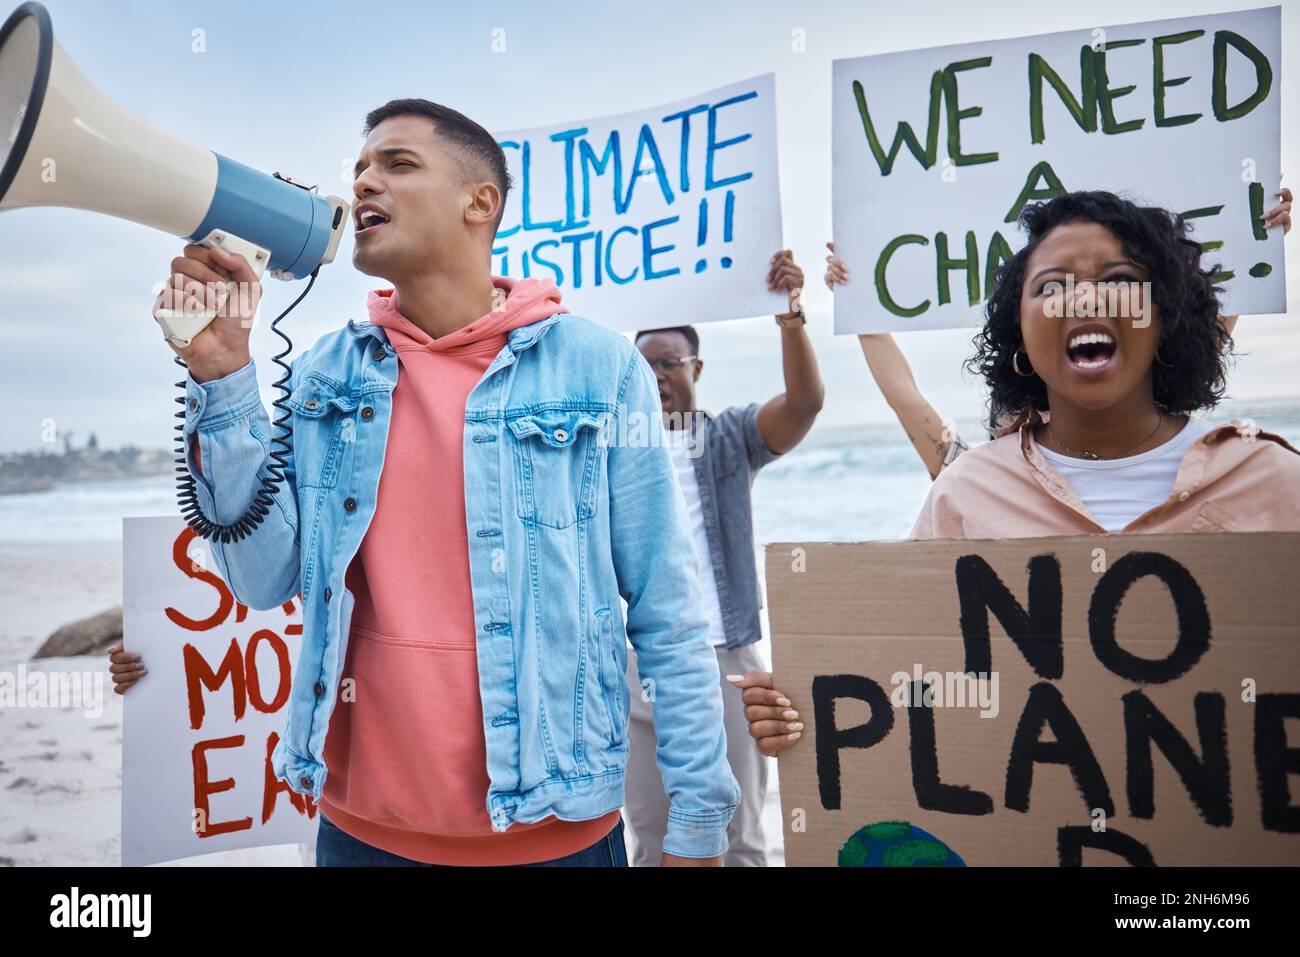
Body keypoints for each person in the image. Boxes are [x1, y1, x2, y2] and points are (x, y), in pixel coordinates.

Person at [136, 98, 740, 866]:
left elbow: (666, 607)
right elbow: (260, 579)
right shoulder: (323, 372)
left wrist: (697, 814)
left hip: (555, 836)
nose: (363, 185)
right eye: (358, 169)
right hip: (362, 837)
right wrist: (224, 380)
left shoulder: (597, 367)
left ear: (479, 202)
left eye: (397, 164)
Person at [739, 186, 1297, 757]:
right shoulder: (969, 487)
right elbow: (906, 676)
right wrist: (799, 705)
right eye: (1051, 288)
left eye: (1120, 282)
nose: (1084, 303)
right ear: (1021, 344)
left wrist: (1257, 250)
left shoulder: (1269, 478)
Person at [624, 250, 824, 865]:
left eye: (668, 362)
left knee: (737, 832)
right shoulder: (611, 449)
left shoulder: (729, 437)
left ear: (697, 368)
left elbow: (804, 403)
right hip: (632, 662)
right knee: (651, 832)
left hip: (723, 657)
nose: (656, 375)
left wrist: (790, 319)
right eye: (642, 365)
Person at [824, 242, 967, 479]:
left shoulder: (984, 485)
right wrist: (856, 299)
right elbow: (903, 395)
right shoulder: (983, 484)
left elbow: (904, 396)